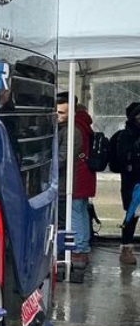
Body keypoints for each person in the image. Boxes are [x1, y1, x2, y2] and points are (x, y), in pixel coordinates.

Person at [56, 93, 97, 270]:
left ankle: (78, 249)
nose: (57, 115)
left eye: (61, 112)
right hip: (84, 175)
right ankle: (83, 247)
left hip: (75, 176)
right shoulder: (84, 123)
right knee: (81, 211)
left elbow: (64, 157)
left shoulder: (74, 128)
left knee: (74, 213)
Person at [112, 101, 140, 266]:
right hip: (133, 182)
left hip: (132, 181)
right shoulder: (126, 136)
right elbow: (123, 160)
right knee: (132, 215)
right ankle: (126, 248)